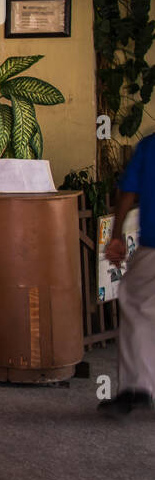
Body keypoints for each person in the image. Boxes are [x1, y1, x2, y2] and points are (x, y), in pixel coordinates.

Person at [100, 133, 155, 418]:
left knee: (136, 307)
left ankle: (137, 387)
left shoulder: (149, 146)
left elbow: (128, 192)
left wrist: (117, 234)